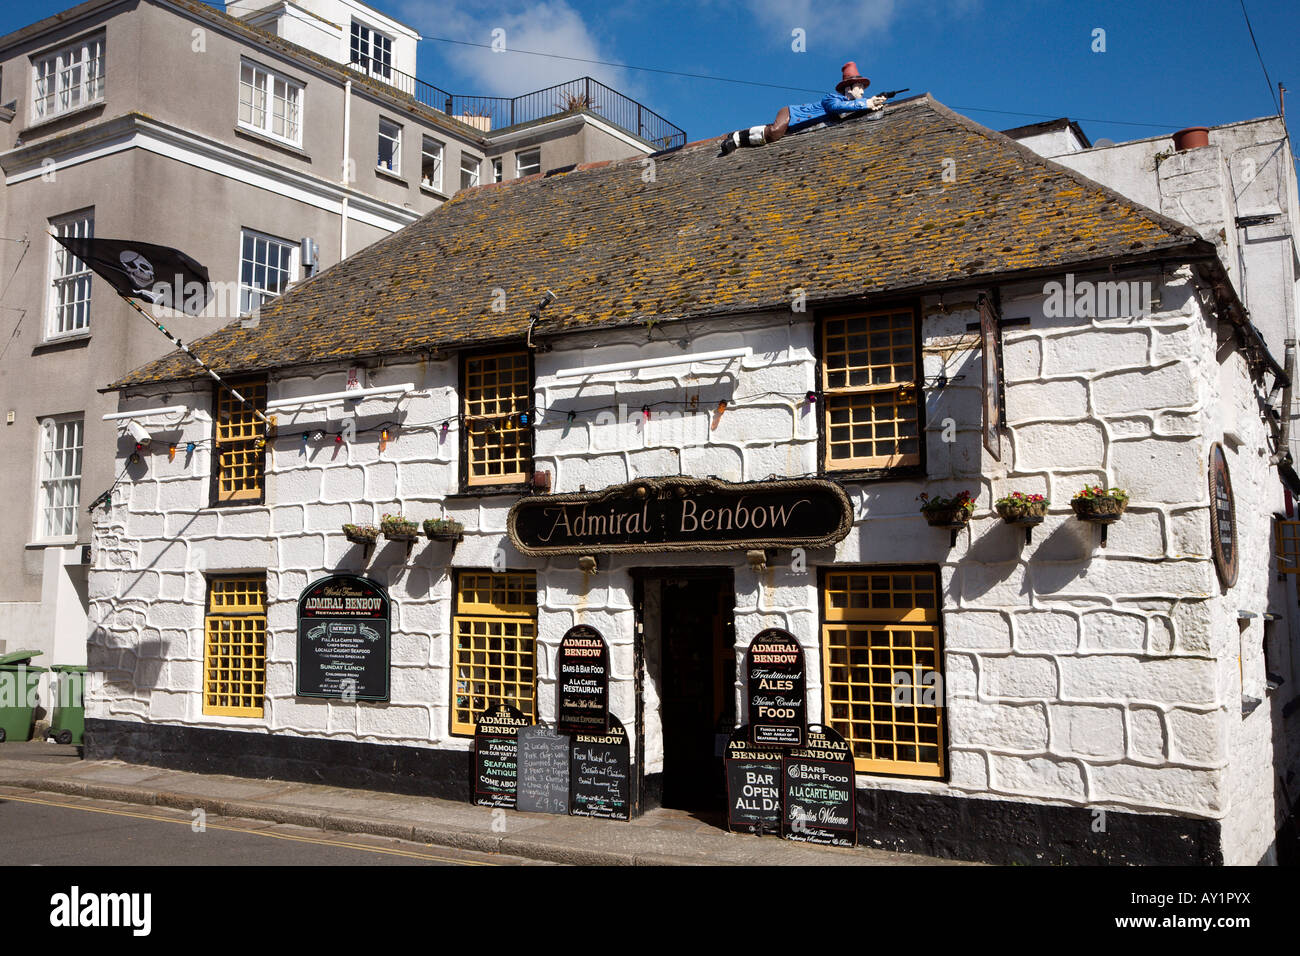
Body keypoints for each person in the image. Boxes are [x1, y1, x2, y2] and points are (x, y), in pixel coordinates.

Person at [720, 62, 886, 155]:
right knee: (774, 133)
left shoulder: (850, 107)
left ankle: (742, 135)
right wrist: (866, 103)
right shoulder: (832, 98)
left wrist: (874, 103)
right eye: (859, 87)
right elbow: (837, 107)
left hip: (796, 125)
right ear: (849, 88)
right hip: (791, 114)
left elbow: (851, 112)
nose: (863, 91)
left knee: (773, 132)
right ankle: (737, 138)